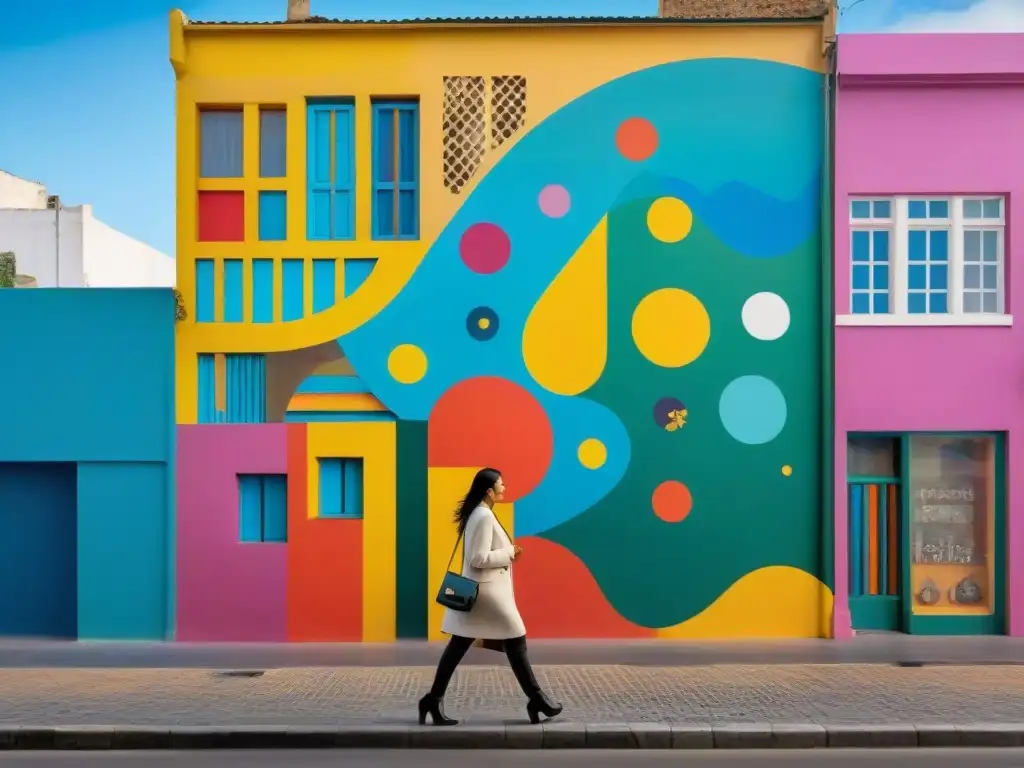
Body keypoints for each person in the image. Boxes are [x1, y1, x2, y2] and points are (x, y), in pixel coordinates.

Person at [418, 467, 563, 727]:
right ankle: (536, 699)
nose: (504, 488)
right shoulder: (483, 516)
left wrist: (507, 552)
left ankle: (432, 699)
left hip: (483, 592)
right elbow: (478, 558)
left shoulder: (481, 513)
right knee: (515, 638)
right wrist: (509, 553)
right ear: (489, 490)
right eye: (501, 484)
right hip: (486, 593)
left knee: (460, 645)